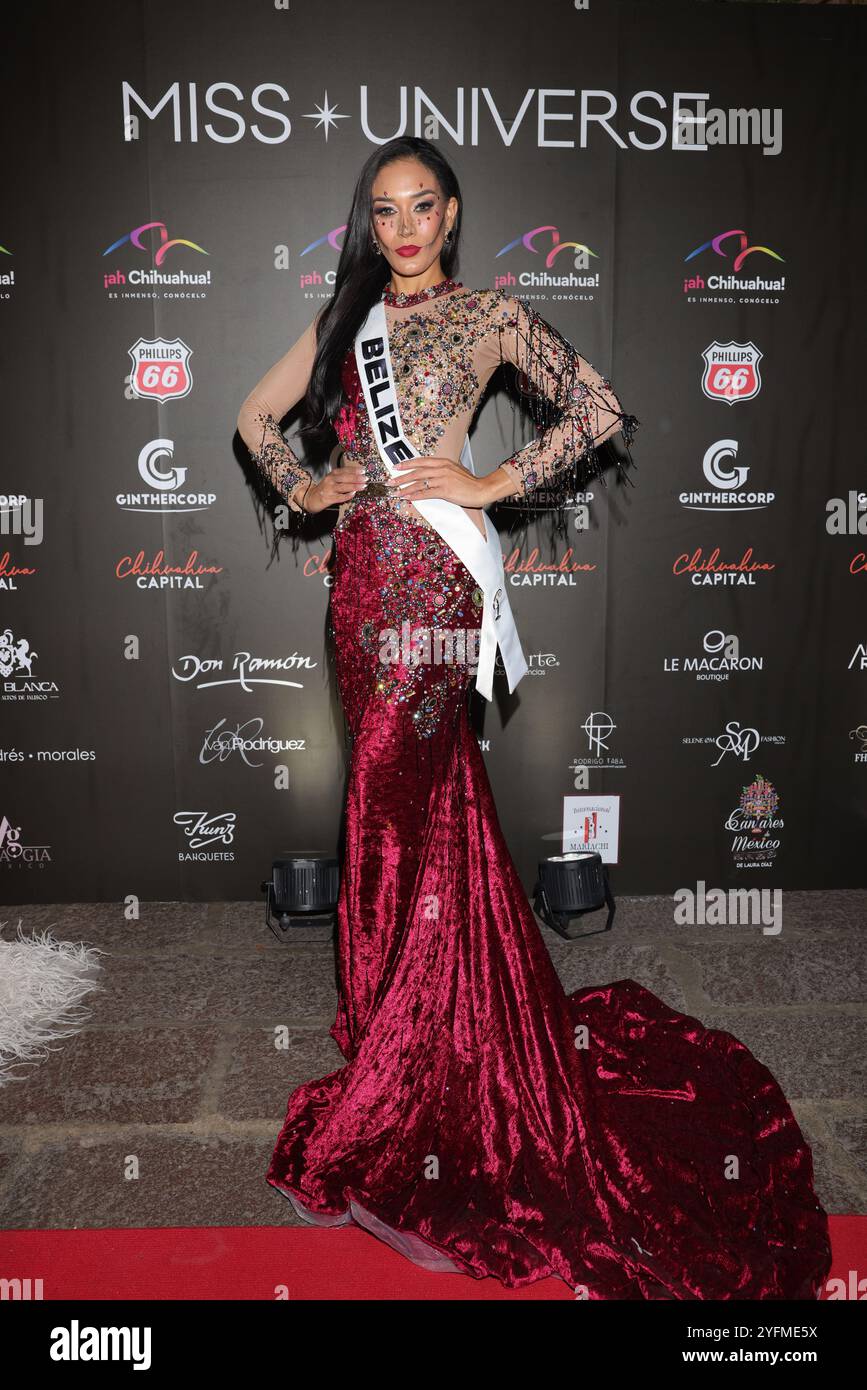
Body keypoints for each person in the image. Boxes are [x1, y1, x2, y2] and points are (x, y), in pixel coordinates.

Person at [236, 136, 832, 1298]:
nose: (404, 227)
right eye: (385, 210)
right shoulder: (346, 315)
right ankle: (409, 1008)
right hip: (360, 587)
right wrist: (312, 486)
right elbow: (254, 417)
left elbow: (599, 410)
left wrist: (490, 484)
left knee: (393, 801)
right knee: (411, 802)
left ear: (452, 217)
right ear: (372, 223)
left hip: (435, 585)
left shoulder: (493, 316)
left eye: (423, 208)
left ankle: (412, 1044)